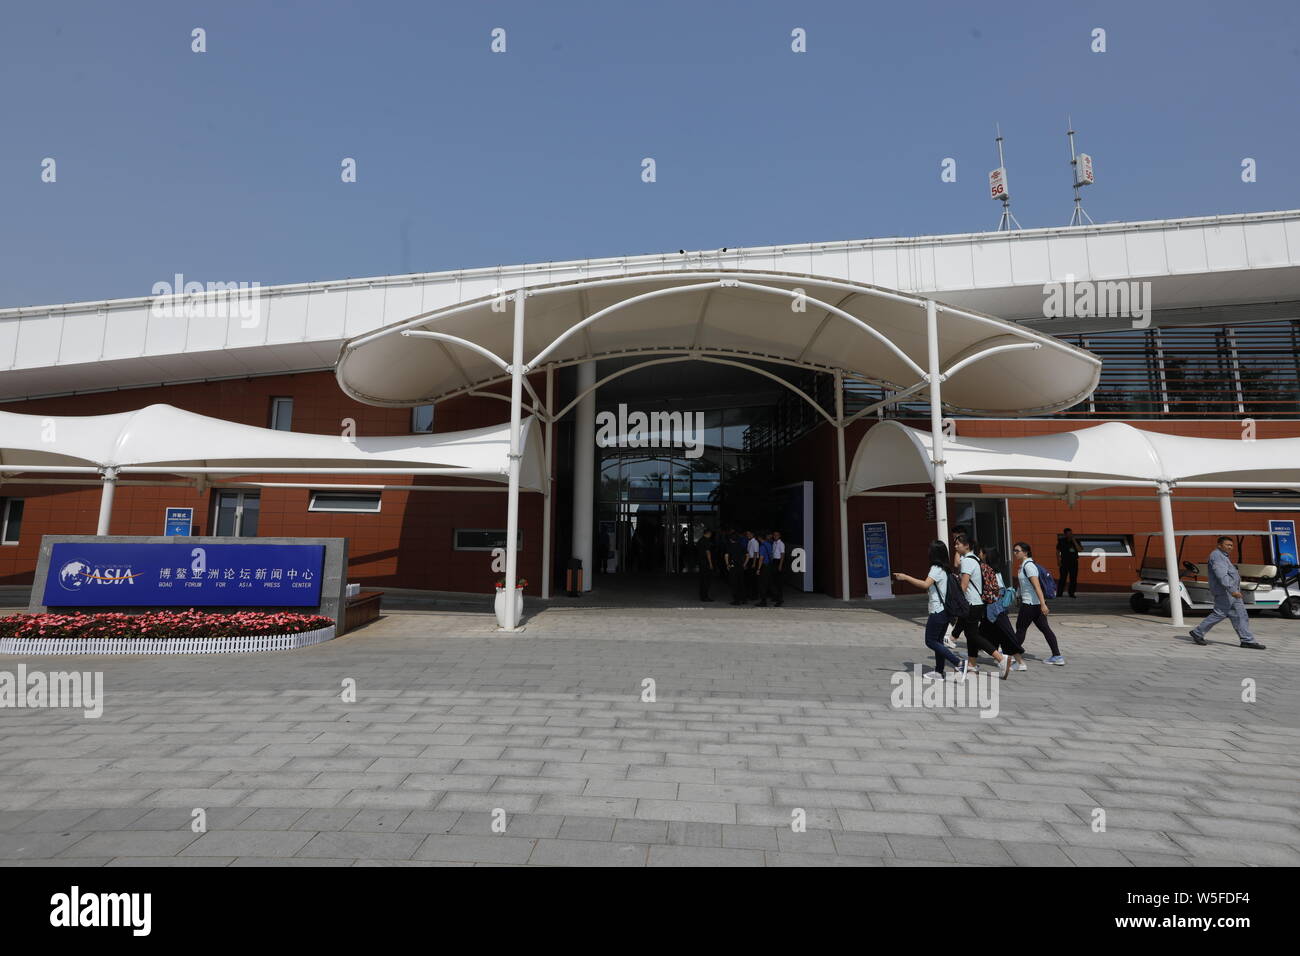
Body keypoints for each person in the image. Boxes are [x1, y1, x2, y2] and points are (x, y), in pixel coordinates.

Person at [893, 540, 967, 682]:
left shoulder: (935, 568)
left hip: (938, 611)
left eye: (930, 550)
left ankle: (958, 662)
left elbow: (925, 584)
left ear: (934, 553)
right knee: (938, 641)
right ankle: (939, 672)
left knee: (930, 641)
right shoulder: (945, 569)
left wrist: (905, 577)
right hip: (945, 611)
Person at [1189, 537, 1267, 649]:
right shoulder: (1217, 556)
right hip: (1225, 591)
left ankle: (1247, 640)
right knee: (1220, 613)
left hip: (1232, 591)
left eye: (1231, 545)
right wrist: (1232, 590)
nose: (1230, 547)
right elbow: (1221, 575)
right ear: (1219, 545)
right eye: (1227, 545)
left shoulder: (1223, 556)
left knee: (1241, 615)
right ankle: (1198, 632)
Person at [954, 535, 1012, 679]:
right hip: (978, 602)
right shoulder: (975, 559)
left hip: (971, 603)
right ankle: (972, 665)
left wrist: (957, 601)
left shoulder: (967, 561)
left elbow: (964, 585)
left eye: (958, 544)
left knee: (973, 635)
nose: (955, 546)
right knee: (971, 634)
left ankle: (1000, 658)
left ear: (967, 546)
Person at [1013, 542, 1064, 664]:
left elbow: (1037, 587)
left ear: (1025, 552)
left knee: (1020, 629)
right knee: (1045, 629)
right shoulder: (1024, 565)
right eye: (1014, 551)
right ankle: (1057, 656)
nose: (1014, 553)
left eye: (1017, 551)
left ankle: (1009, 656)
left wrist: (1043, 604)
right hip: (1033, 604)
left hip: (1030, 605)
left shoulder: (1029, 566)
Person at [982, 546, 1027, 671]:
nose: (982, 556)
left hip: (995, 609)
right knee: (985, 635)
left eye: (984, 553)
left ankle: (1020, 662)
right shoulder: (997, 571)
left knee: (1006, 636)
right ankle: (973, 658)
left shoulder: (988, 571)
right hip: (996, 609)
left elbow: (994, 591)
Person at [1056, 527, 1082, 598]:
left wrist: (1074, 541)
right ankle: (1059, 593)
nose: (1070, 535)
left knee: (1073, 578)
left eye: (1071, 533)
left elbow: (1080, 550)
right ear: (1065, 534)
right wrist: (1058, 560)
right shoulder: (1061, 541)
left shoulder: (1076, 541)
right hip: (1064, 562)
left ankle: (1071, 593)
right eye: (1068, 534)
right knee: (1062, 578)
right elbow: (1058, 551)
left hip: (1074, 562)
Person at [725, 530, 747, 606]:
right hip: (740, 566)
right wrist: (744, 564)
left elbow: (726, 555)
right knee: (741, 583)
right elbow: (747, 556)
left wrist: (727, 564)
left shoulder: (729, 546)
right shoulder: (741, 546)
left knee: (734, 583)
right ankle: (744, 599)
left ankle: (736, 600)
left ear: (731, 539)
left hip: (733, 566)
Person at [696, 529, 715, 602]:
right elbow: (708, 553)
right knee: (707, 580)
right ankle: (705, 596)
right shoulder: (706, 541)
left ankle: (702, 596)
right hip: (706, 563)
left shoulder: (700, 540)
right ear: (708, 533)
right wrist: (710, 563)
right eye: (710, 534)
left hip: (701, 562)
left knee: (702, 579)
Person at [768, 529, 786, 607]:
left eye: (776, 535)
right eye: (774, 535)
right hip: (774, 561)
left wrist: (780, 565)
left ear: (779, 536)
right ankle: (776, 596)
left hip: (778, 562)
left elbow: (782, 555)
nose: (775, 536)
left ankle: (780, 599)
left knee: (779, 582)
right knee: (773, 581)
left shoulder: (781, 544)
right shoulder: (774, 543)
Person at [756, 532, 774, 607]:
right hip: (769, 565)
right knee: (769, 583)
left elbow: (761, 558)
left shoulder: (762, 546)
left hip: (764, 566)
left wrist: (758, 569)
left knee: (762, 584)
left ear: (760, 538)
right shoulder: (769, 544)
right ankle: (777, 597)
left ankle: (763, 601)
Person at [744, 529, 761, 601]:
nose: (747, 535)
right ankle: (750, 594)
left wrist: (754, 563)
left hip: (754, 560)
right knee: (749, 578)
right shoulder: (749, 541)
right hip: (750, 559)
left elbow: (755, 553)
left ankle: (754, 595)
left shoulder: (755, 542)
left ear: (752, 534)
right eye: (746, 534)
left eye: (748, 534)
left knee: (754, 579)